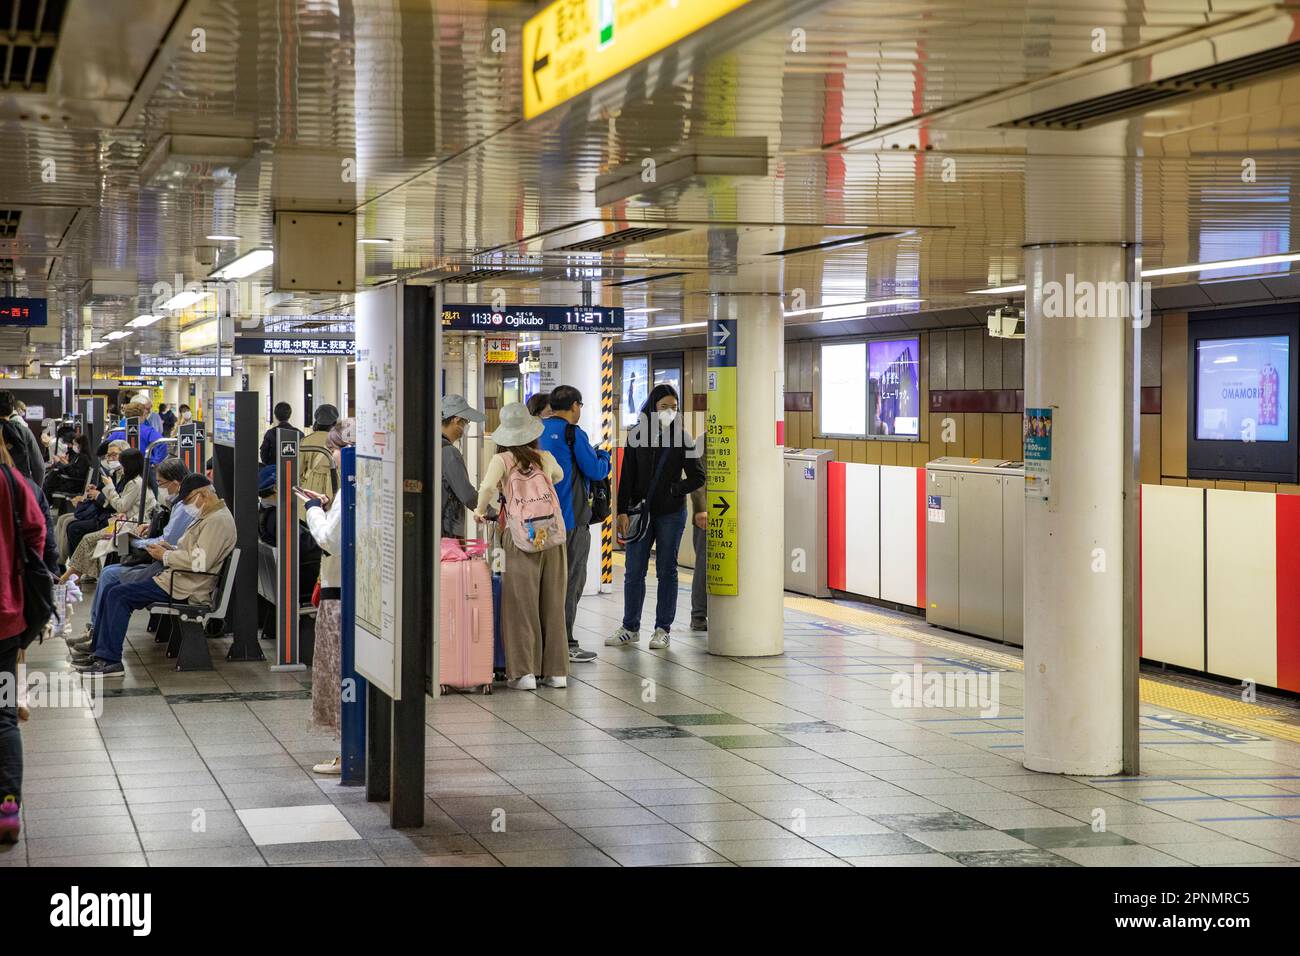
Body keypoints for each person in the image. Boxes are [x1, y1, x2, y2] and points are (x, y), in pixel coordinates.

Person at [74, 474, 235, 677]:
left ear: (202, 494)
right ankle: (100, 653)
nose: (187, 505)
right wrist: (170, 548)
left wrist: (166, 555)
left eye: (188, 500)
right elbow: (195, 552)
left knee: (118, 595)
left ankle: (110, 660)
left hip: (185, 586)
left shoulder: (217, 521)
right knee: (113, 590)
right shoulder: (209, 516)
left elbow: (200, 562)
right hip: (177, 578)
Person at [473, 402, 568, 690]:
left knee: (520, 604)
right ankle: (556, 673)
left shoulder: (502, 461)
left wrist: (480, 510)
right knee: (553, 604)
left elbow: (488, 488)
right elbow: (559, 477)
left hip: (518, 538)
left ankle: (525, 674)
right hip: (551, 536)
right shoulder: (545, 456)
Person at [610, 384, 704, 650]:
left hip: (671, 514)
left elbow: (698, 476)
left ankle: (663, 628)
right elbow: (626, 475)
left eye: (674, 407)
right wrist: (622, 511)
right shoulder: (637, 436)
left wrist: (676, 489)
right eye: (664, 407)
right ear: (652, 407)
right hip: (640, 513)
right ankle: (630, 627)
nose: (669, 412)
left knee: (667, 570)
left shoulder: (682, 438)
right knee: (633, 571)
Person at [67, 458, 193, 651]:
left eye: (161, 483)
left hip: (169, 570)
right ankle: (95, 632)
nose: (112, 459)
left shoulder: (185, 508)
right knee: (109, 568)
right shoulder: (179, 504)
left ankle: (99, 638)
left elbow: (168, 540)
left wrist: (137, 542)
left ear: (175, 482)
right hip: (163, 561)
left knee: (111, 576)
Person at [538, 385, 609, 664]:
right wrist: (603, 456)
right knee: (570, 581)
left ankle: (543, 641)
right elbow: (595, 470)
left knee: (545, 582)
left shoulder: (536, 431)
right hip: (570, 520)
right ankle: (565, 642)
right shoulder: (573, 434)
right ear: (575, 406)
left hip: (538, 522)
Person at [0, 441, 48, 845]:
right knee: (3, 716)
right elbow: (37, 534)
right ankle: (8, 808)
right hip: (7, 612)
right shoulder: (14, 482)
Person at [301, 418, 354, 775]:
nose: (332, 456)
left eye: (335, 449)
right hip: (352, 590)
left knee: (337, 673)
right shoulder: (367, 481)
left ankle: (347, 752)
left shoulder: (352, 486)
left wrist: (313, 511)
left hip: (340, 594)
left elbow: (330, 539)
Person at [61, 447, 156, 584]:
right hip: (124, 523)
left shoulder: (136, 483)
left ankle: (70, 577)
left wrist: (110, 487)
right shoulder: (133, 480)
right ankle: (72, 576)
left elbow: (121, 506)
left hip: (129, 527)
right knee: (88, 539)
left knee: (88, 539)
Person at [440, 394, 485, 539]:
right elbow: (467, 494)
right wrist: (490, 512)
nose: (466, 427)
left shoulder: (431, 445)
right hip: (448, 529)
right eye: (465, 422)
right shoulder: (449, 452)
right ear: (456, 420)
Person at [0, 391, 44, 487]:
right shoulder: (24, 431)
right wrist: (34, 492)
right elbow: (39, 467)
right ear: (12, 409)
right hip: (19, 487)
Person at [299, 403, 340, 503]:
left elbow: (298, 469)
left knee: (311, 514)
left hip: (311, 490)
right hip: (334, 488)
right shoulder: (340, 442)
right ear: (334, 423)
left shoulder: (306, 441)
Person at [261, 402, 303, 467]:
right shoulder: (299, 434)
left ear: (275, 415)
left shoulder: (270, 433)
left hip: (274, 471)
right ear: (290, 415)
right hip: (293, 472)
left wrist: (270, 465)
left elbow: (264, 454)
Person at [689, 484, 708, 631]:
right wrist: (700, 507)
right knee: (704, 561)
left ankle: (699, 614)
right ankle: (698, 615)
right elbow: (696, 475)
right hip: (707, 510)